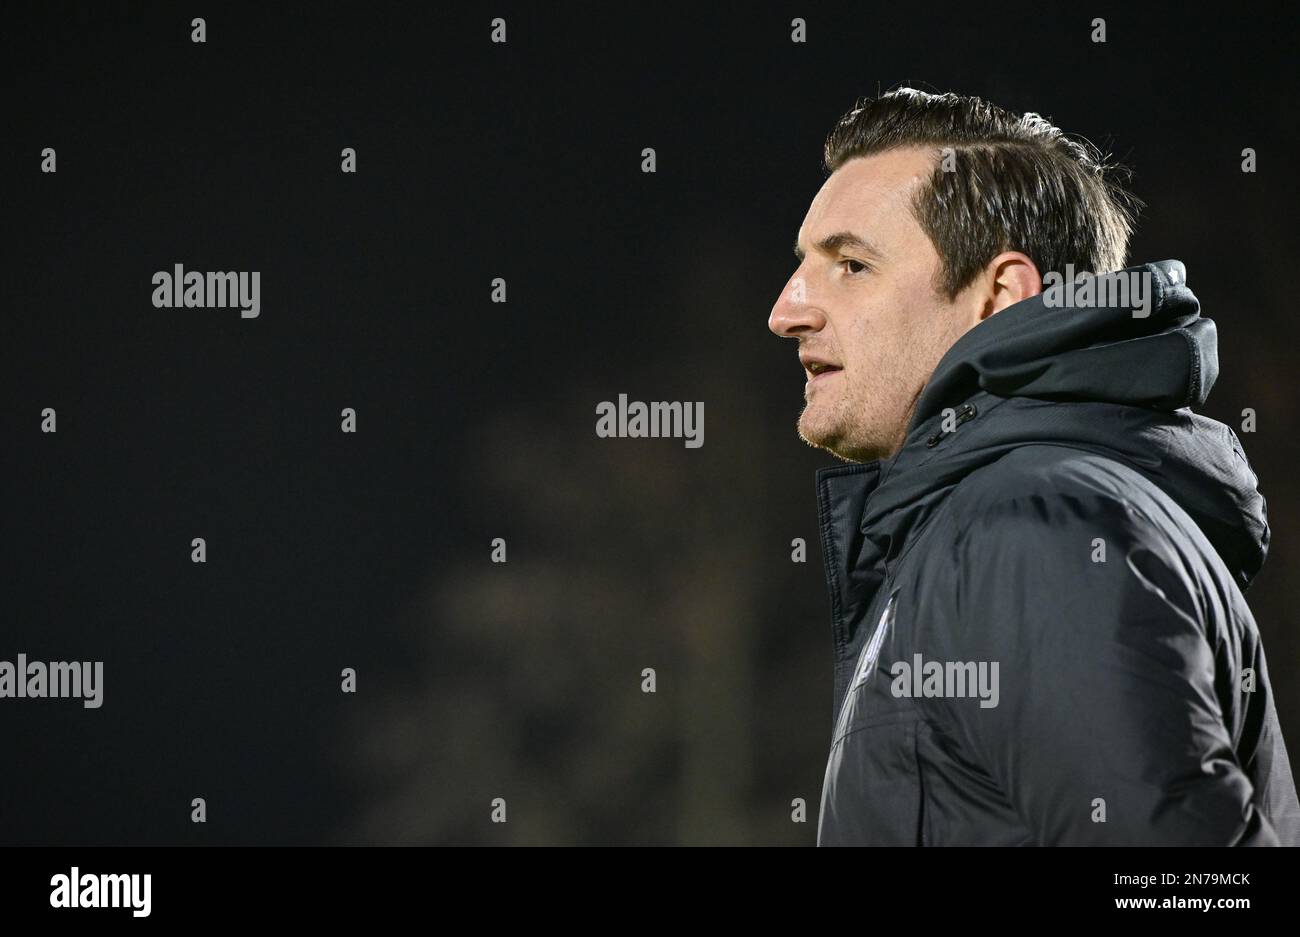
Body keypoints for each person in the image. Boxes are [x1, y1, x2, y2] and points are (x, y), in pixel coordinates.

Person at [768, 87, 1300, 845]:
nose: (787, 311)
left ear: (1000, 295)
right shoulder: (1006, 518)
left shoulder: (1030, 523)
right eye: (804, 267)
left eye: (851, 265)